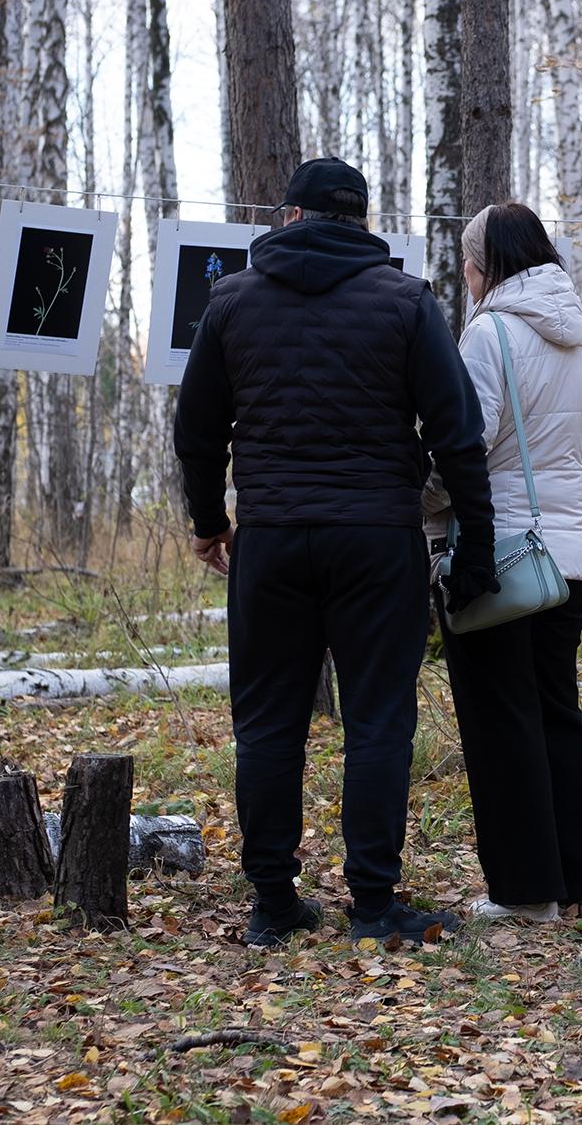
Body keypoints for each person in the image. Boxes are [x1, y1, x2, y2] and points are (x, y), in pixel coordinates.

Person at [174, 157, 501, 946]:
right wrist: (478, 542)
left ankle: (273, 904)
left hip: (274, 538)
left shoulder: (231, 300)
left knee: (267, 721)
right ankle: (376, 904)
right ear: (360, 223)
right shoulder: (404, 299)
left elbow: (196, 429)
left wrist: (209, 520)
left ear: (288, 218)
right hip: (377, 540)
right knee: (379, 719)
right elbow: (457, 433)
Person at [425, 202, 582, 922]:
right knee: (557, 714)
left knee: (502, 721)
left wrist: (418, 502)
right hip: (569, 557)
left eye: (469, 263)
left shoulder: (489, 334)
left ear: (489, 265)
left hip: (498, 554)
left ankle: (526, 891)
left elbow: (463, 450)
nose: (467, 276)